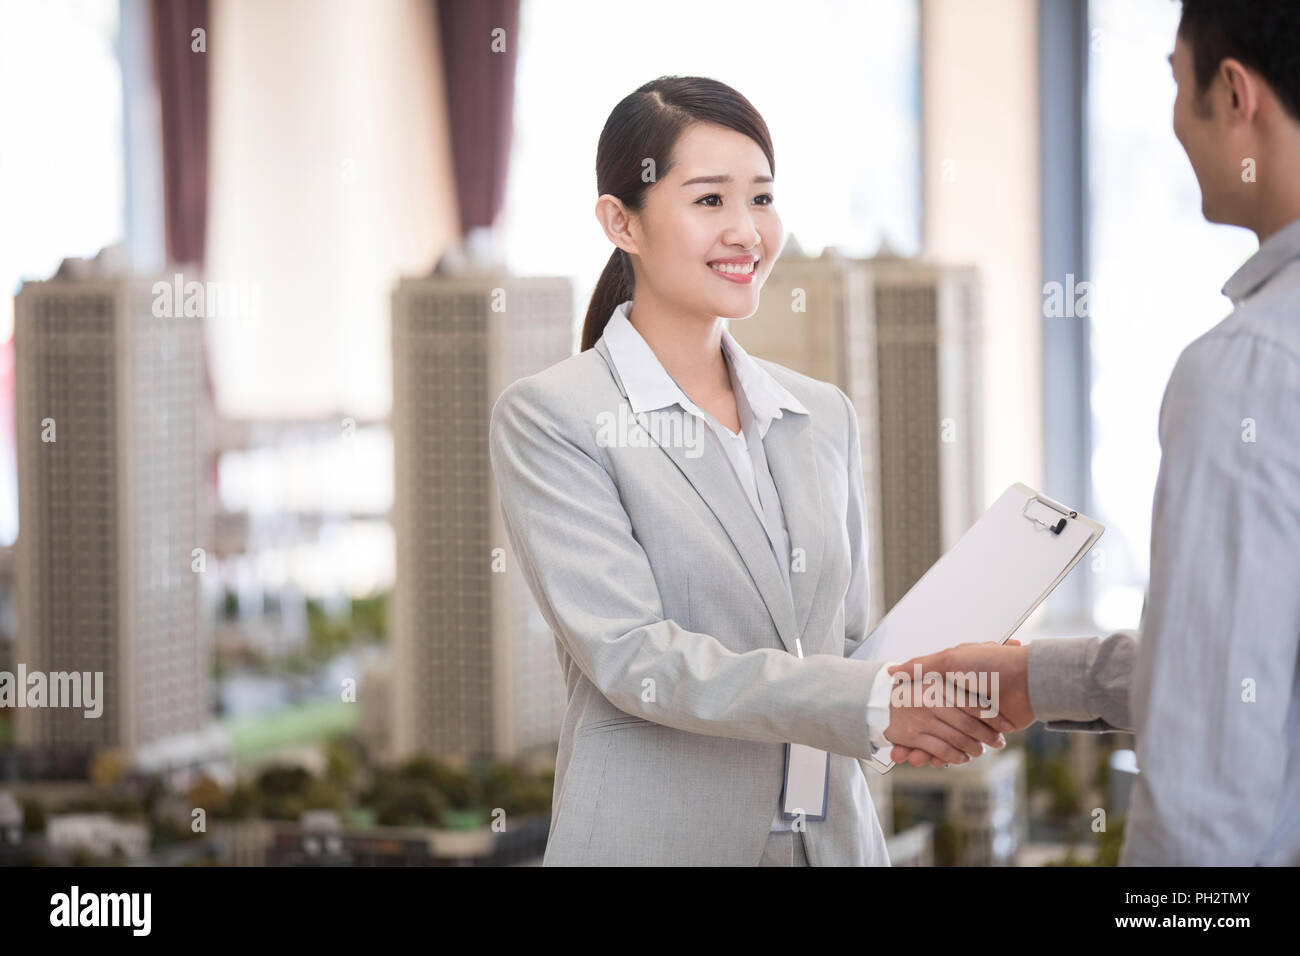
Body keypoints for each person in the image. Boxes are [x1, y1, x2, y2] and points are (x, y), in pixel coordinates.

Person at [488, 75, 1005, 866]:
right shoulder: (554, 414)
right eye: (709, 201)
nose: (746, 232)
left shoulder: (820, 414)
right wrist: (867, 700)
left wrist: (927, 694)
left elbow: (844, 640)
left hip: (833, 843)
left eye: (761, 199)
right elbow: (635, 658)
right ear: (619, 220)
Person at [890, 0, 1300, 866]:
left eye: (1173, 82)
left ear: (1234, 94)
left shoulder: (1248, 370)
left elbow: (1208, 780)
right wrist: (1038, 676)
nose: (1174, 125)